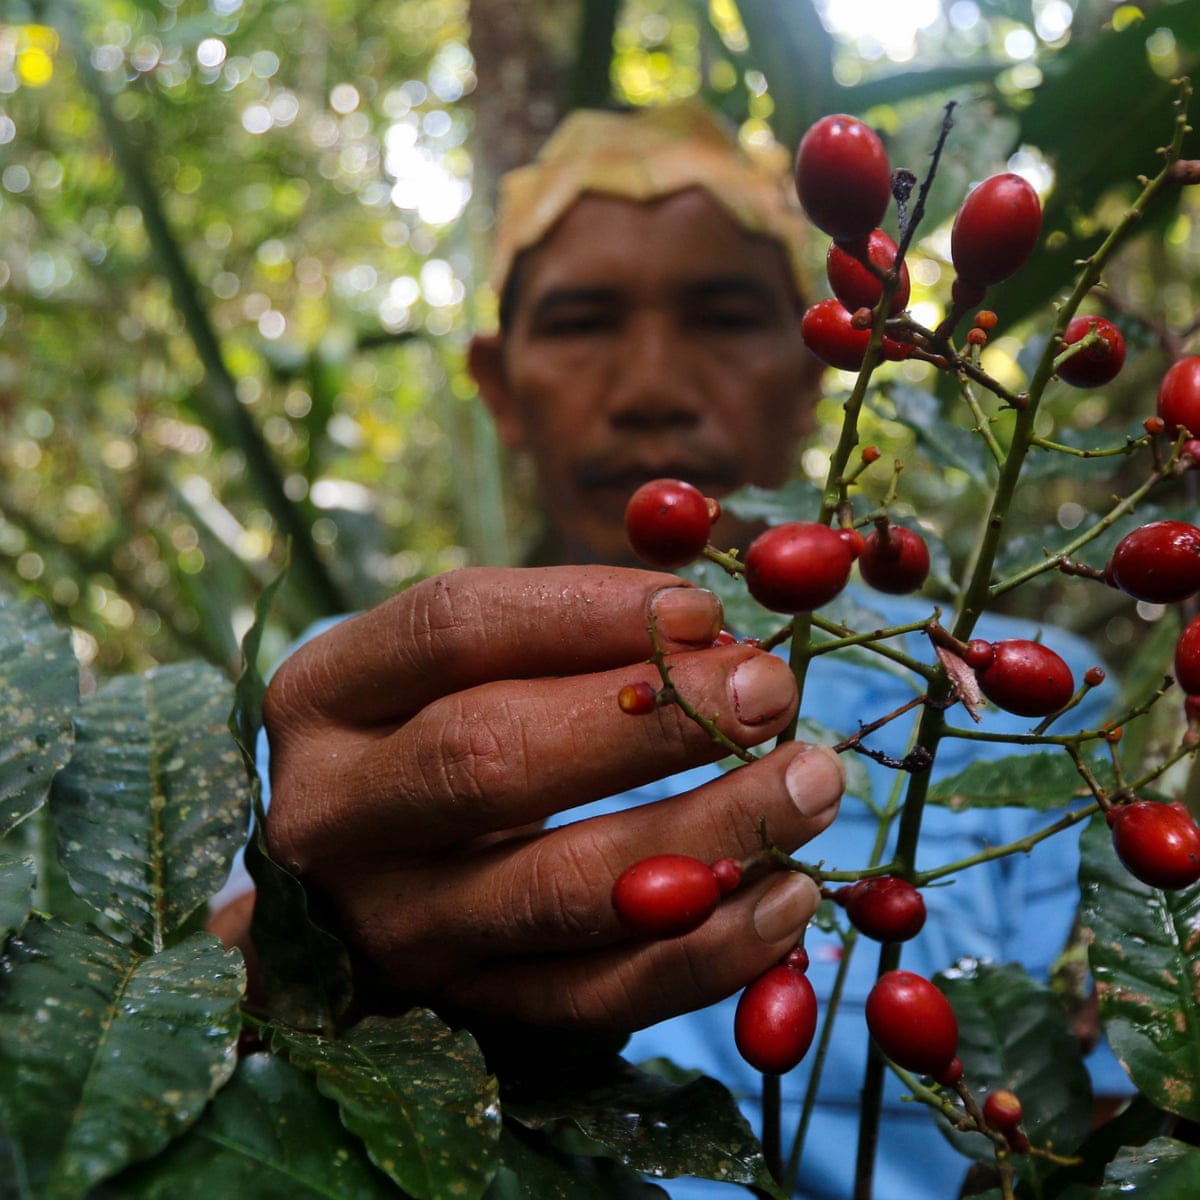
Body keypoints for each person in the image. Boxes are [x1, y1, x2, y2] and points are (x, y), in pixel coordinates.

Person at [217, 102, 1130, 1198]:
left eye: (723, 313)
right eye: (583, 321)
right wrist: (303, 958)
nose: (650, 382)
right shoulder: (348, 700)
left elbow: (1106, 1124)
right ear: (500, 385)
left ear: (815, 361)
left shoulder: (1021, 697)